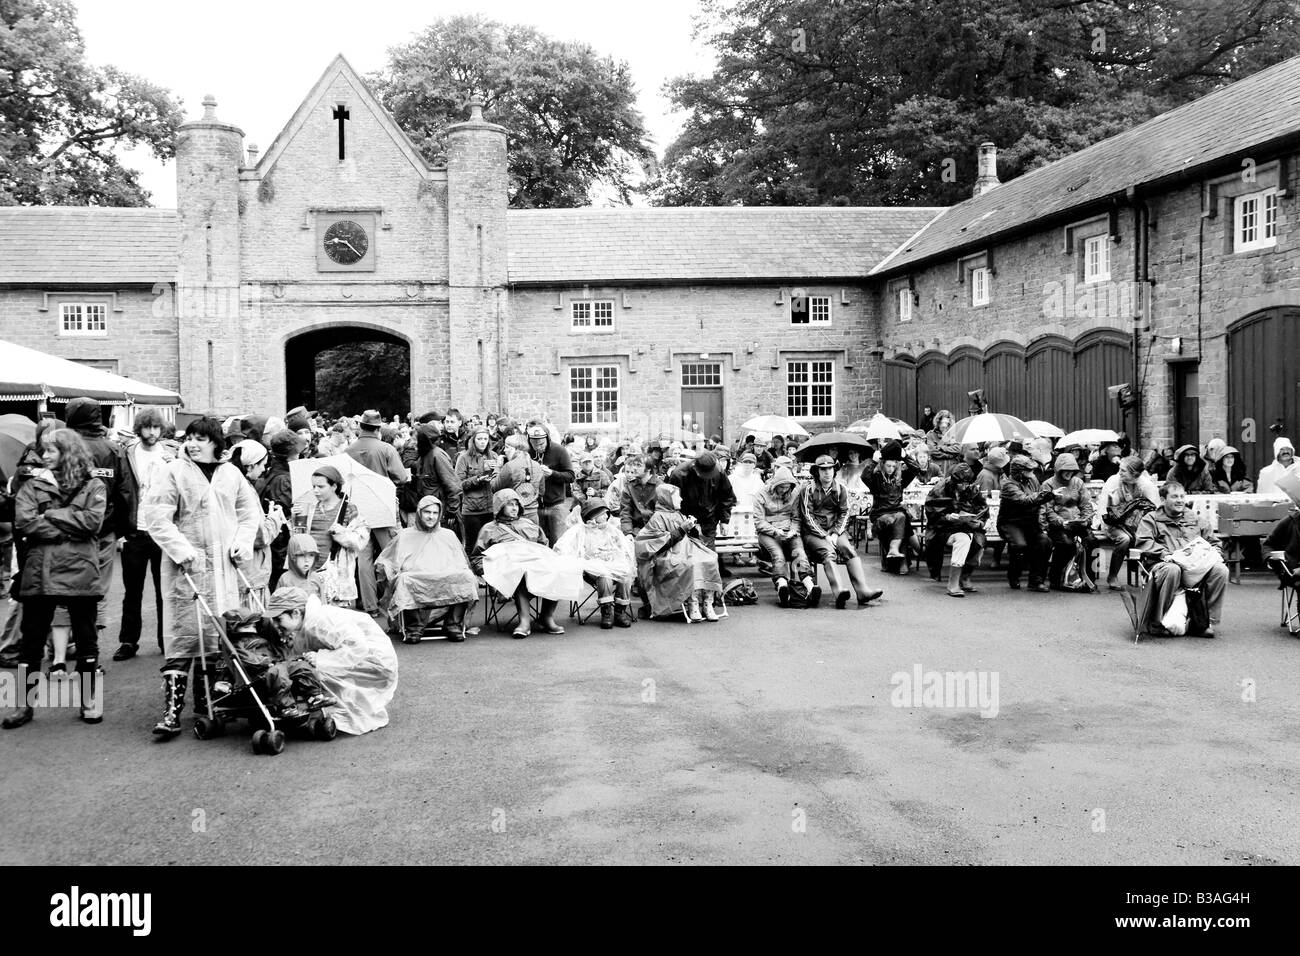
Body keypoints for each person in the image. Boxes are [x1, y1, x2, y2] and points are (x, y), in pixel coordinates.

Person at [141, 416, 262, 738]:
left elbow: (250, 513)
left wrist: (241, 543)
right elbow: (156, 516)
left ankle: (209, 703)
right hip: (188, 568)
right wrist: (181, 549)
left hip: (224, 566)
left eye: (200, 438)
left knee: (218, 633)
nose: (192, 444)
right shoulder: (173, 472)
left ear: (215, 443)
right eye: (189, 437)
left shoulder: (231, 474)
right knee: (184, 635)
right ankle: (171, 712)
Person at [2, 429, 107, 729]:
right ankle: (24, 706)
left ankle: (89, 702)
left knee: (87, 641)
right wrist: (70, 521)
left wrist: (49, 516)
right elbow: (25, 523)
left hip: (77, 571)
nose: (44, 456)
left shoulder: (94, 484)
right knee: (31, 641)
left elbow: (93, 522)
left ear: (68, 452)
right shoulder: (32, 484)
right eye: (43, 450)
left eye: (51, 450)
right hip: (41, 572)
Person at [265, 587, 399, 735]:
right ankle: (338, 707)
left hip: (376, 662)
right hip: (369, 659)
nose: (276, 625)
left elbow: (358, 648)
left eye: (278, 620)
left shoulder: (321, 621)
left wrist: (321, 659)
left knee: (313, 670)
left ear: (296, 613)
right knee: (309, 666)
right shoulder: (309, 621)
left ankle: (343, 712)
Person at [112, 408, 176, 661]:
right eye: (148, 427)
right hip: (135, 532)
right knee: (132, 591)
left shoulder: (169, 457)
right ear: (139, 429)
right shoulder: (126, 454)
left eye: (156, 428)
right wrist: (120, 531)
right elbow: (117, 493)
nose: (152, 432)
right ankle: (128, 641)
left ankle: (165, 640)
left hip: (162, 533)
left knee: (164, 591)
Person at [472, 489, 576, 638]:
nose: (514, 508)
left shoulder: (529, 524)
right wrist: (489, 573)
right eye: (509, 505)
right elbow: (477, 556)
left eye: (516, 504)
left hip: (535, 564)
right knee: (519, 573)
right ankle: (524, 621)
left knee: (556, 570)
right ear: (500, 506)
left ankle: (546, 617)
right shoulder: (489, 529)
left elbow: (543, 545)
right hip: (508, 569)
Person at [376, 496, 478, 642]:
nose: (431, 517)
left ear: (440, 514)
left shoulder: (448, 535)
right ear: (419, 513)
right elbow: (388, 561)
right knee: (405, 579)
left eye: (435, 513)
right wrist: (394, 570)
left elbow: (460, 561)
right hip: (415, 577)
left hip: (445, 576)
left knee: (467, 576)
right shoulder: (405, 535)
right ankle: (414, 628)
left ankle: (453, 624)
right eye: (427, 512)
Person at [1134, 482, 1228, 637]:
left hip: (1195, 566)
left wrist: (1214, 554)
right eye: (1174, 496)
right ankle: (1157, 623)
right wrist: (1164, 554)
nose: (1179, 500)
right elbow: (1144, 542)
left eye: (1182, 496)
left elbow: (1214, 542)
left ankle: (1205, 622)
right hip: (1164, 563)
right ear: (1163, 499)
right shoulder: (1151, 519)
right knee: (1173, 569)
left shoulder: (1195, 518)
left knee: (1220, 570)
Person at [634, 483, 724, 622]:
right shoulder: (657, 517)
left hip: (686, 550)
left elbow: (691, 537)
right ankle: (693, 604)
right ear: (667, 499)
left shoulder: (678, 514)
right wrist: (682, 529)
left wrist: (692, 528)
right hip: (669, 555)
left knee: (710, 559)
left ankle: (708, 603)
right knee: (690, 564)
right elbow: (657, 544)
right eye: (677, 496)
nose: (681, 499)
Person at [804, 454, 884, 607]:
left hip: (835, 531)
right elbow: (808, 517)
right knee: (828, 553)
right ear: (817, 471)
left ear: (835, 470)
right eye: (823, 469)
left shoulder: (841, 489)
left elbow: (845, 513)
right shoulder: (809, 489)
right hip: (814, 533)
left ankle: (862, 591)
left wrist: (835, 533)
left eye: (830, 469)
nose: (827, 472)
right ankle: (839, 590)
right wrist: (824, 535)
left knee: (849, 549)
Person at [295, 465, 369, 609]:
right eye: (313, 486)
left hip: (336, 573)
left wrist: (342, 534)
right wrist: (295, 519)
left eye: (321, 486)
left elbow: (361, 541)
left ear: (334, 486)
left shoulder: (348, 509)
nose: (315, 491)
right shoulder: (310, 508)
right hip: (310, 570)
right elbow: (299, 540)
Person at [555, 499, 636, 628]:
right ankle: (607, 612)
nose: (606, 516)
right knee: (605, 577)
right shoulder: (580, 531)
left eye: (606, 514)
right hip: (591, 566)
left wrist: (617, 555)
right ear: (592, 515)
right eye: (602, 514)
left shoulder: (612, 529)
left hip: (612, 563)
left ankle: (620, 612)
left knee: (625, 575)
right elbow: (564, 548)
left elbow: (623, 548)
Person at [228, 439, 287, 610]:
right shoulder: (244, 490)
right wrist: (275, 519)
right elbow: (259, 537)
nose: (264, 469)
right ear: (250, 465)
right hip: (249, 573)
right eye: (262, 464)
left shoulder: (232, 484)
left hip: (240, 570)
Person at [754, 465, 818, 607]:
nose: (784, 490)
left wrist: (793, 531)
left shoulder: (794, 493)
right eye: (781, 487)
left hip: (789, 531)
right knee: (778, 555)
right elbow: (759, 522)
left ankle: (810, 586)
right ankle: (782, 586)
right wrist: (775, 531)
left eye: (787, 487)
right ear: (775, 484)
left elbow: (796, 518)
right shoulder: (761, 495)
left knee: (799, 553)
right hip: (768, 533)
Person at [664, 450, 736, 577]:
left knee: (709, 557)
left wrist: (724, 520)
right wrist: (682, 522)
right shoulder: (679, 475)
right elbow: (671, 503)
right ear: (695, 468)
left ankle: (710, 587)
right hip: (684, 521)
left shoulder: (718, 471)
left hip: (709, 519)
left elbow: (727, 496)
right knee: (686, 559)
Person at [923, 463, 987, 597]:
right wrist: (946, 516)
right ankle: (953, 583)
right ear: (954, 480)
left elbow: (983, 508)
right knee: (963, 539)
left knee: (979, 543)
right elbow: (931, 512)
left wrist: (979, 521)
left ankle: (965, 576)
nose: (964, 487)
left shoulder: (972, 488)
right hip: (943, 529)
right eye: (961, 484)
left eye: (967, 484)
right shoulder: (940, 488)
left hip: (969, 526)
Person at [1097, 455, 1160, 590]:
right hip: (1113, 523)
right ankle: (1112, 575)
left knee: (1145, 538)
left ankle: (1148, 575)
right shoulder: (1113, 481)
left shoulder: (1146, 485)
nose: (1119, 473)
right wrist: (1112, 502)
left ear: (1135, 474)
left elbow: (1156, 511)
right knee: (1125, 539)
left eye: (1123, 471)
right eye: (1120, 469)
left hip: (1137, 525)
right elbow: (1103, 511)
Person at [998, 454, 1059, 591]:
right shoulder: (1008, 485)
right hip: (1010, 522)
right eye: (1029, 470)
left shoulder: (1032, 479)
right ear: (1019, 471)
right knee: (1020, 545)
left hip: (1029, 522)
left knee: (1045, 542)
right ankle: (1013, 575)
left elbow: (1038, 496)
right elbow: (1025, 500)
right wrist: (1048, 495)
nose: (1032, 473)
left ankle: (1036, 580)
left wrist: (1046, 498)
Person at [1039, 453, 1095, 591]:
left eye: (1072, 470)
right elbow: (1047, 509)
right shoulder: (1048, 484)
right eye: (1065, 470)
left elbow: (1086, 504)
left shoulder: (1078, 482)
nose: (1069, 473)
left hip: (1077, 521)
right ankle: (1056, 578)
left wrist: (1086, 520)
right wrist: (1059, 521)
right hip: (1058, 524)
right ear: (1058, 469)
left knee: (1091, 541)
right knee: (1066, 544)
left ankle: (1088, 578)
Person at [257, 429, 300, 590]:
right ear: (290, 454)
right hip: (279, 545)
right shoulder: (283, 480)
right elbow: (283, 513)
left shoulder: (271, 472)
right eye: (296, 451)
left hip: (274, 542)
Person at [868, 444, 920, 573]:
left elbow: (916, 469)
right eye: (888, 466)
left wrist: (906, 456)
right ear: (882, 465)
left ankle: (903, 555)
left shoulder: (900, 478)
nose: (891, 469)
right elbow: (865, 477)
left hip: (897, 512)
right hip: (880, 514)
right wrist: (873, 461)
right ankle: (904, 553)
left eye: (893, 466)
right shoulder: (876, 478)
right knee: (901, 518)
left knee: (901, 518)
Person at [525, 421, 575, 546]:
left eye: (541, 444)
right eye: (534, 444)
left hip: (556, 504)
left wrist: (552, 473)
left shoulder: (559, 450)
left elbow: (571, 476)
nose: (538, 447)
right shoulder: (527, 452)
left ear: (547, 438)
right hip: (534, 505)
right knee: (538, 543)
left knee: (558, 542)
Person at [455, 426, 502, 557]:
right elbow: (458, 484)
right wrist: (478, 479)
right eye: (479, 439)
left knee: (491, 544)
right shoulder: (464, 457)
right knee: (472, 544)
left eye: (485, 439)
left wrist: (497, 470)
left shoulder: (493, 455)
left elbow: (499, 480)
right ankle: (470, 573)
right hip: (472, 510)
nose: (482, 442)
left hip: (491, 508)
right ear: (473, 440)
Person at [410, 422, 462, 534]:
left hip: (440, 514)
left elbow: (453, 486)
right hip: (428, 512)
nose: (414, 442)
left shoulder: (437, 456)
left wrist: (451, 511)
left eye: (417, 439)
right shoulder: (424, 455)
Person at [492, 434, 544, 524]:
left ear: (516, 449)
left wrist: (498, 467)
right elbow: (542, 492)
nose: (504, 450)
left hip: (514, 516)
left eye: (507, 447)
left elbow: (494, 487)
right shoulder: (537, 465)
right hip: (533, 515)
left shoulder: (510, 466)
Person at [619, 454, 661, 537]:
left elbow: (662, 514)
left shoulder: (660, 487)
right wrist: (628, 533)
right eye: (634, 464)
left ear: (648, 468)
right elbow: (625, 512)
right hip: (635, 530)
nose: (634, 468)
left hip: (655, 531)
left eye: (638, 465)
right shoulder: (629, 486)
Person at [279, 533, 328, 602]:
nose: (307, 560)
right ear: (293, 556)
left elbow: (323, 603)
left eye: (311, 555)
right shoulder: (285, 579)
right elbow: (278, 606)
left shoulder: (315, 577)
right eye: (301, 555)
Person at [925, 409, 962, 477]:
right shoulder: (931, 434)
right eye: (942, 422)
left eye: (946, 423)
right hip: (937, 469)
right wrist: (950, 455)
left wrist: (942, 448)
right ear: (938, 422)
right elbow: (933, 452)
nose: (944, 425)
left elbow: (958, 449)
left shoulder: (955, 434)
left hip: (952, 468)